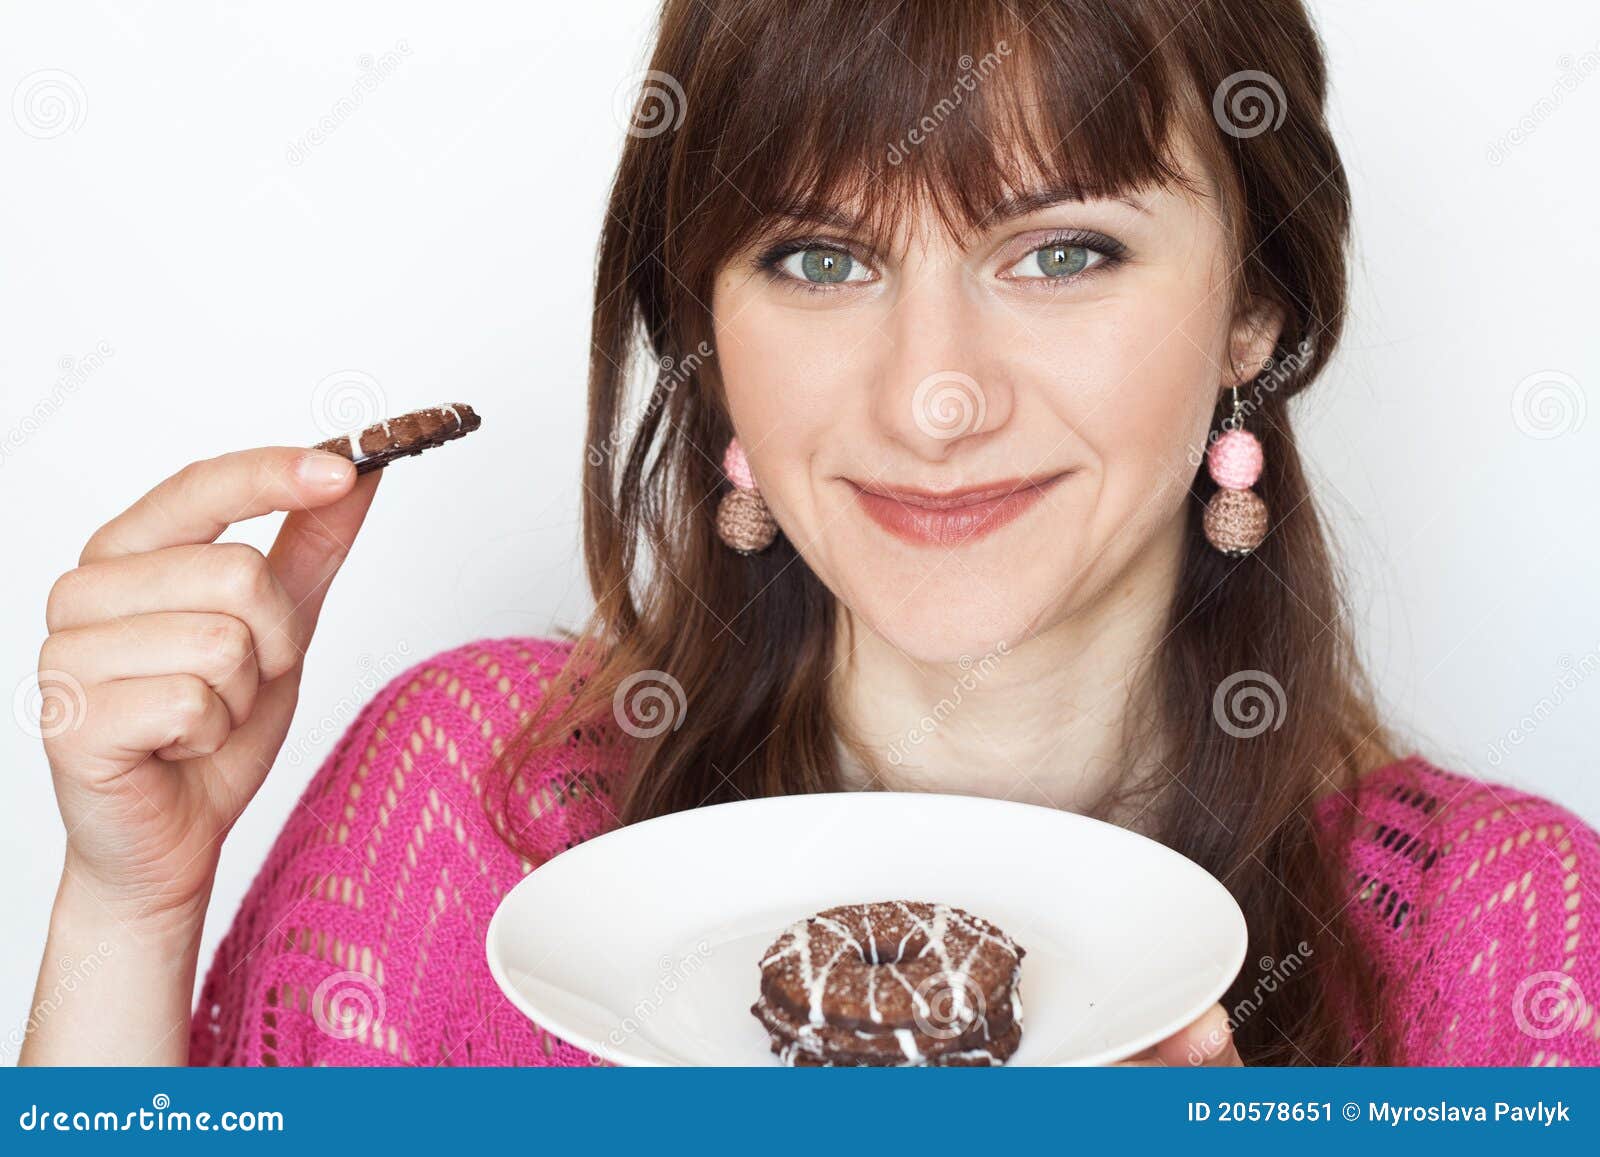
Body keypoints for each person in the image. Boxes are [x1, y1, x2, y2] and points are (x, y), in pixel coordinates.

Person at [22, 0, 1598, 1067]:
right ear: (705, 322)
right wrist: (130, 907)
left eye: (1062, 252)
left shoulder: (1523, 943)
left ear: (1254, 300)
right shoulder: (464, 811)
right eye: (821, 261)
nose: (932, 399)